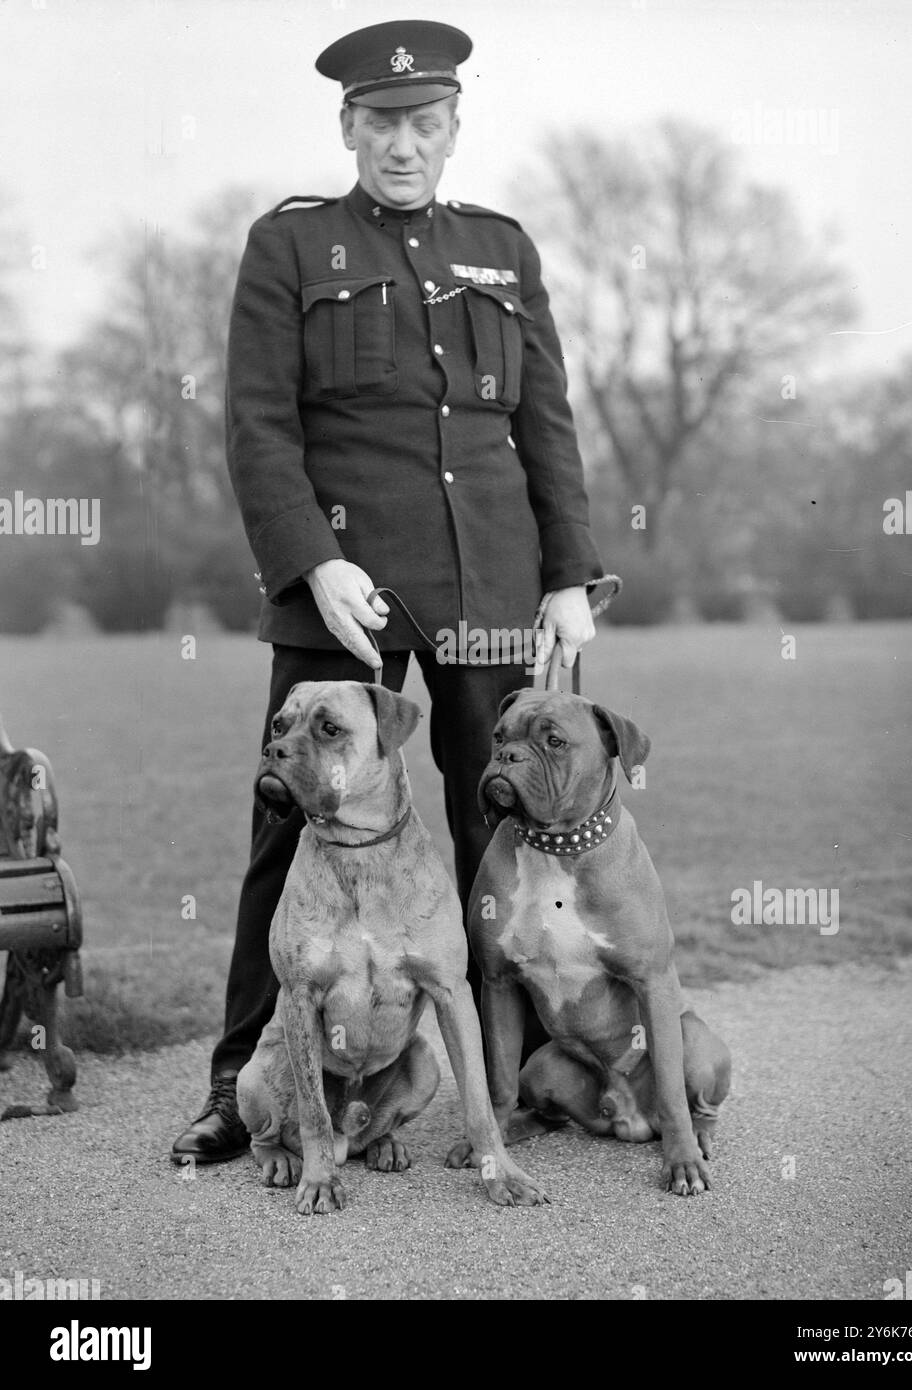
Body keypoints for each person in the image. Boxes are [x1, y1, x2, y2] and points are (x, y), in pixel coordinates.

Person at [171, 19, 604, 1164]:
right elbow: (257, 424)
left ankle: (485, 1081)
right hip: (342, 583)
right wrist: (316, 559)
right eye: (381, 124)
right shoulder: (289, 245)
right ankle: (240, 1079)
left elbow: (543, 425)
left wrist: (568, 576)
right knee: (291, 815)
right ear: (348, 128)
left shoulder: (502, 247)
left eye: (423, 124)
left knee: (490, 820)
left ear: (452, 129)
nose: (402, 144)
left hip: (489, 579)